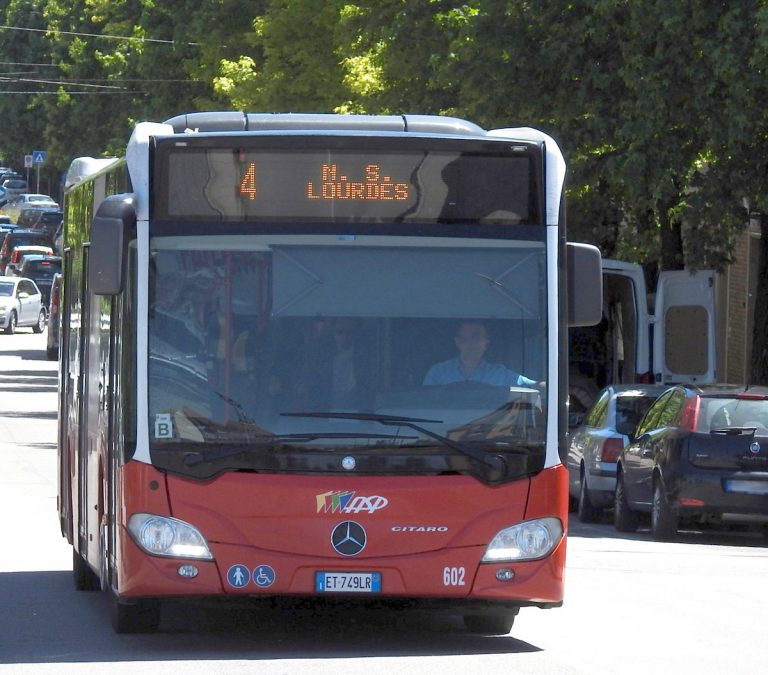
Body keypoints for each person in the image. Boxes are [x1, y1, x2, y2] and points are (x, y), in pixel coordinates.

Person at [423, 320, 539, 387]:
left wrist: (551, 386)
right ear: (457, 342)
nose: (470, 343)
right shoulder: (437, 373)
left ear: (486, 343)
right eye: (464, 339)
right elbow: (424, 404)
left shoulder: (500, 374)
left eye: (476, 337)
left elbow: (534, 387)